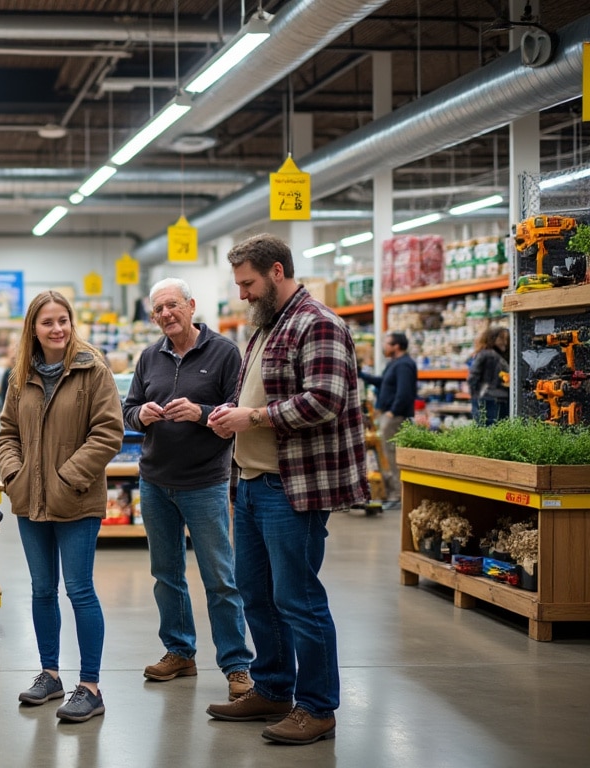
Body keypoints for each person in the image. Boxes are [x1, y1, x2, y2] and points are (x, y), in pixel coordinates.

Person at [207, 234, 368, 746]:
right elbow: (254, 390)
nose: (243, 295)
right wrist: (228, 414)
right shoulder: (267, 326)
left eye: (248, 283)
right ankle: (274, 688)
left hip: (291, 488)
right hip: (253, 483)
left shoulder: (317, 322)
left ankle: (318, 707)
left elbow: (325, 400)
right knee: (256, 593)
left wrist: (250, 417)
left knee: (297, 598)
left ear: (277, 272)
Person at [122, 277, 254, 702]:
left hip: (205, 483)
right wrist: (140, 413)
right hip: (155, 482)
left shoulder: (224, 353)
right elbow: (127, 412)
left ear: (191, 305)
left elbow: (239, 411)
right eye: (158, 309)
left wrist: (201, 413)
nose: (166, 315)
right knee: (166, 574)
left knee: (220, 577)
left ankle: (236, 666)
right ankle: (180, 651)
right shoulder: (148, 358)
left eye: (172, 306)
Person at [0, 290, 124, 724]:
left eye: (63, 320)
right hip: (29, 501)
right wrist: (14, 474)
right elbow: (7, 433)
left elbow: (109, 433)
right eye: (48, 322)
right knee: (40, 589)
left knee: (80, 590)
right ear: (33, 327)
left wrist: (68, 477)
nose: (57, 329)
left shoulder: (93, 371)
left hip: (76, 500)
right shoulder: (21, 376)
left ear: (72, 323)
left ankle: (90, 686)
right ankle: (50, 674)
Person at [358, 332, 418, 509]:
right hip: (387, 415)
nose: (384, 347)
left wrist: (392, 412)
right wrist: (362, 375)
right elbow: (383, 383)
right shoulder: (394, 364)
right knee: (384, 453)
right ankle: (390, 492)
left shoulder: (405, 365)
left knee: (389, 454)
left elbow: (405, 392)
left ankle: (396, 494)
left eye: (387, 344)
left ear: (396, 346)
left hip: (394, 417)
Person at [468, 326, 510, 426]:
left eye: (506, 339)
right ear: (492, 338)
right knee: (492, 428)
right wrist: (477, 395)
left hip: (495, 398)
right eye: (501, 338)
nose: (504, 342)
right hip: (490, 399)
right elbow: (473, 377)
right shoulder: (488, 354)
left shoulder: (497, 355)